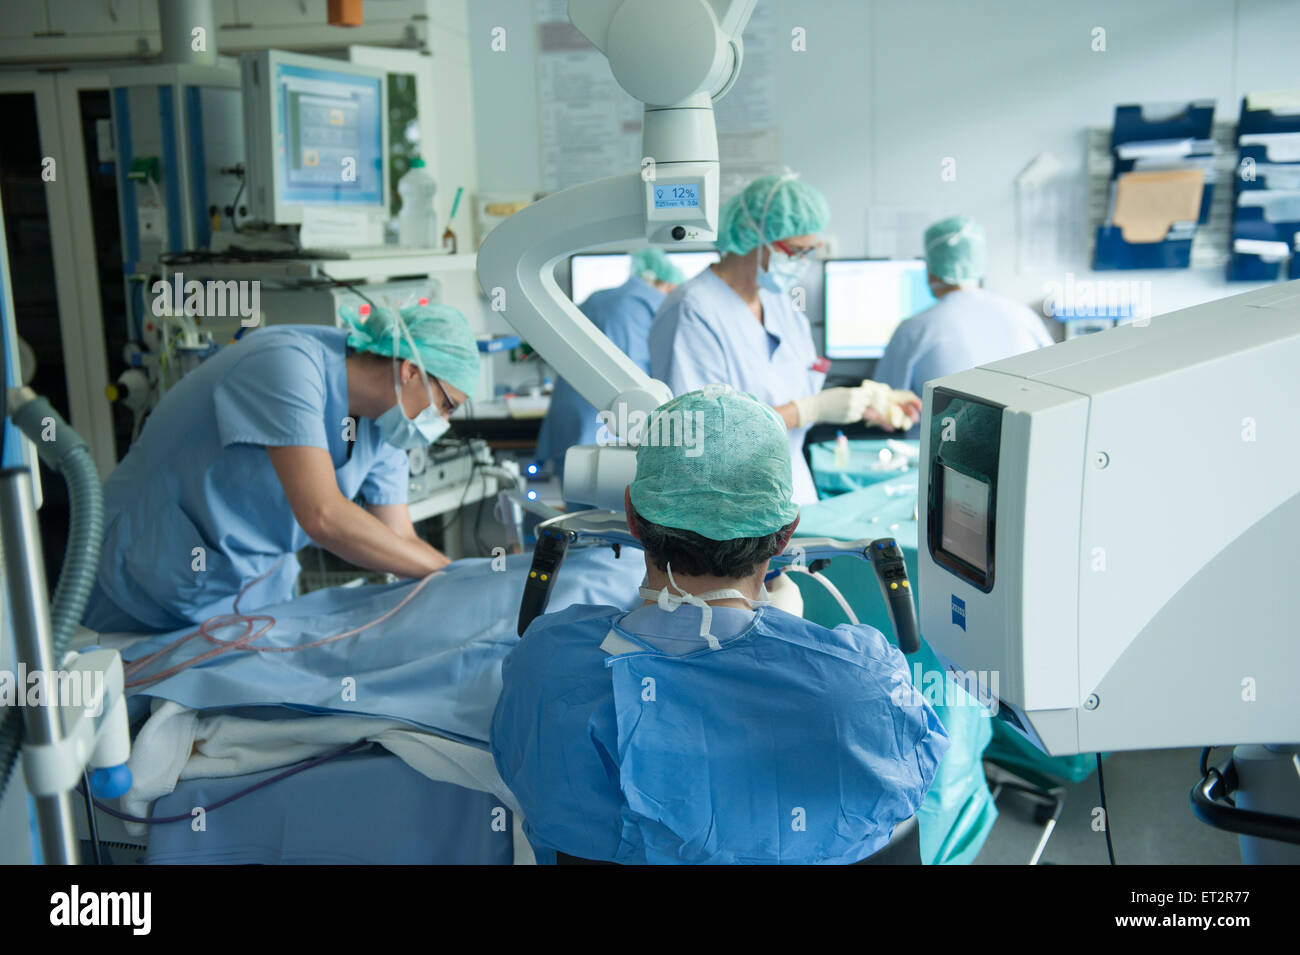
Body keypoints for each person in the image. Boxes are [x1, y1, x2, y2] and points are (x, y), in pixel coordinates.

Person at [492, 386, 949, 865]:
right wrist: (790, 638)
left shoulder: (544, 665)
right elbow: (905, 785)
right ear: (786, 533)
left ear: (631, 514)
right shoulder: (863, 684)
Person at [82, 302, 480, 633]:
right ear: (410, 370)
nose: (441, 422)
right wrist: (446, 571)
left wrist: (468, 582)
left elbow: (399, 537)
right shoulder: (287, 365)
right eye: (446, 404)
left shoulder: (385, 427)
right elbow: (322, 515)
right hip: (147, 574)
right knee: (113, 711)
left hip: (250, 591)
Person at [650, 173, 919, 505]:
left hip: (793, 494)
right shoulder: (692, 310)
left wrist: (871, 404)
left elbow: (802, 391)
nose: (801, 263)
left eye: (808, 252)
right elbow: (703, 435)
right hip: (729, 506)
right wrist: (809, 409)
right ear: (754, 235)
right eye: (794, 251)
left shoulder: (780, 306)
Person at [874, 215, 1054, 432]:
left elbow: (883, 407)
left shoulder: (914, 329)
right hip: (1023, 452)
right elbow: (1055, 388)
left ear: (931, 272)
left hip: (943, 458)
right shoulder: (1024, 316)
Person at [535, 248, 685, 477]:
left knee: (578, 496)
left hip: (569, 416)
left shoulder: (597, 298)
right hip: (610, 425)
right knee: (609, 500)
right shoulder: (656, 307)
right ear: (669, 286)